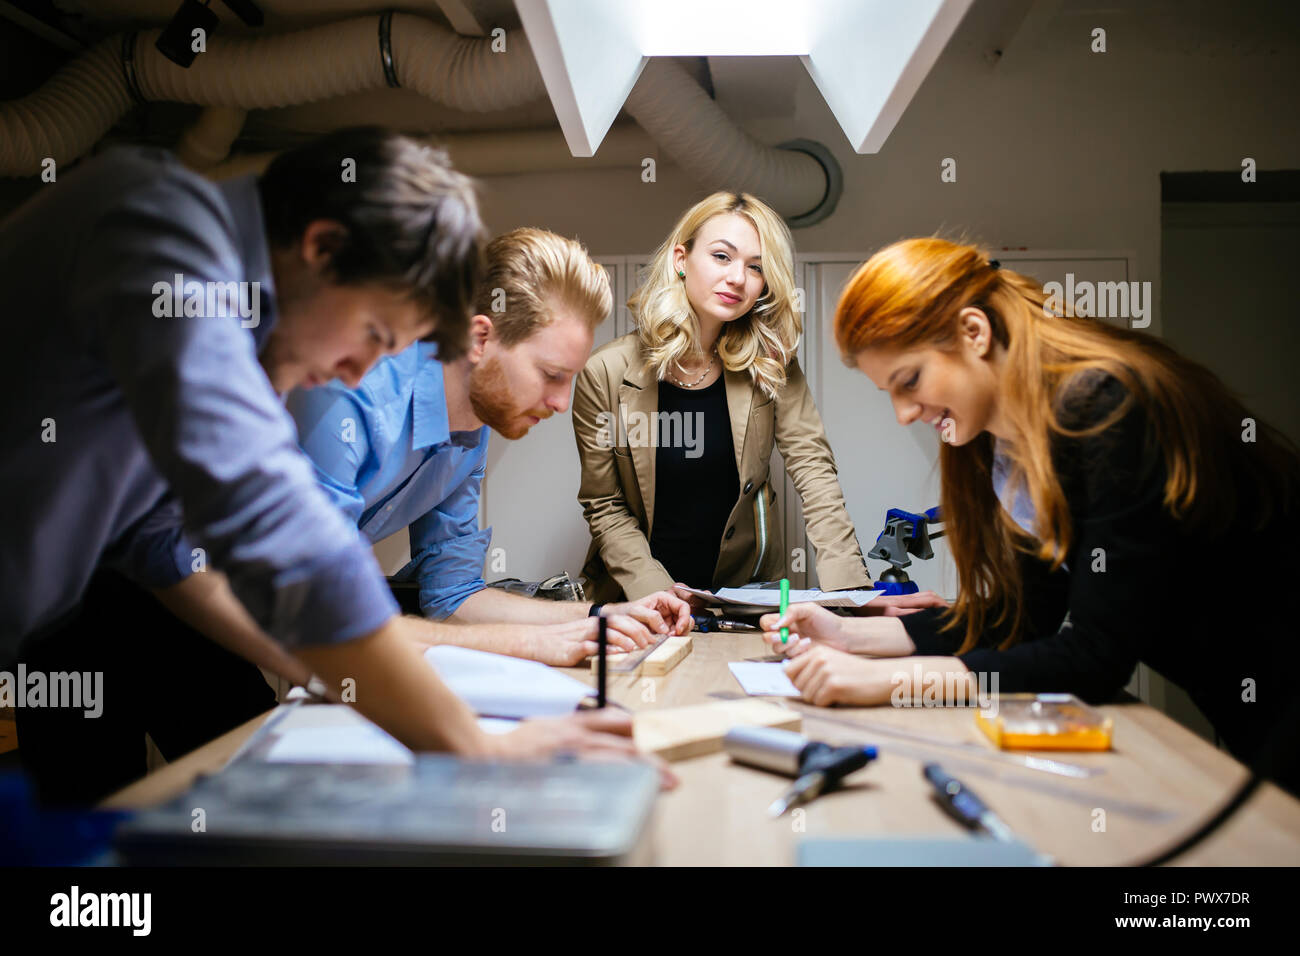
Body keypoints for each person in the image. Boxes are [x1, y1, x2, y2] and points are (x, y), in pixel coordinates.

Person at [2, 127, 646, 804]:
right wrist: (477, 746)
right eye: (374, 333)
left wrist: (349, 682)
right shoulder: (159, 229)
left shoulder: (233, 330)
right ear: (322, 249)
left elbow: (167, 547)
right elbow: (287, 538)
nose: (360, 369)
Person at [761, 237, 1300, 790]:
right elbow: (1022, 618)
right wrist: (850, 638)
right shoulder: (1003, 441)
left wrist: (889, 681)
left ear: (975, 333)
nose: (904, 414)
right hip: (1239, 690)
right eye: (888, 393)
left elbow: (1094, 658)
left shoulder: (1111, 406)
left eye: (911, 381)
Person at [287, 228, 691, 667]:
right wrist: (527, 645)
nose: (561, 403)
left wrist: (599, 616)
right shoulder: (350, 393)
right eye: (551, 374)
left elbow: (453, 596)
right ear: (481, 339)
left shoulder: (471, 426)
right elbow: (330, 614)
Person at [572, 192, 872, 603]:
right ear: (681, 260)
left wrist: (852, 591)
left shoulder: (772, 362)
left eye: (756, 267)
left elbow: (813, 469)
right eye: (721, 256)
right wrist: (658, 594)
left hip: (745, 596)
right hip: (635, 599)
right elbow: (604, 504)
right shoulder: (604, 373)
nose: (737, 278)